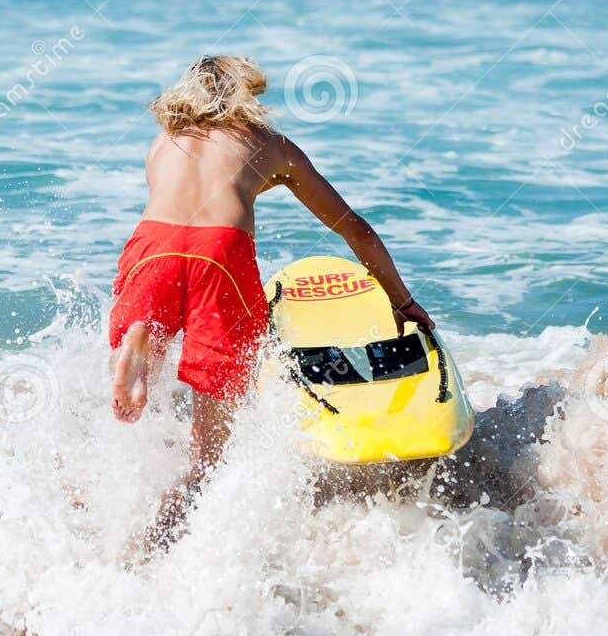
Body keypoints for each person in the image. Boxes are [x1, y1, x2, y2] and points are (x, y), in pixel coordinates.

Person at [109, 55, 433, 551]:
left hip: (152, 245)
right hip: (220, 253)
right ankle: (172, 541)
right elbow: (355, 228)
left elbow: (175, 226)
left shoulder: (162, 144)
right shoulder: (269, 145)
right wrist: (402, 299)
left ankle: (140, 345)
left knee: (157, 312)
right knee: (209, 453)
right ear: (247, 98)